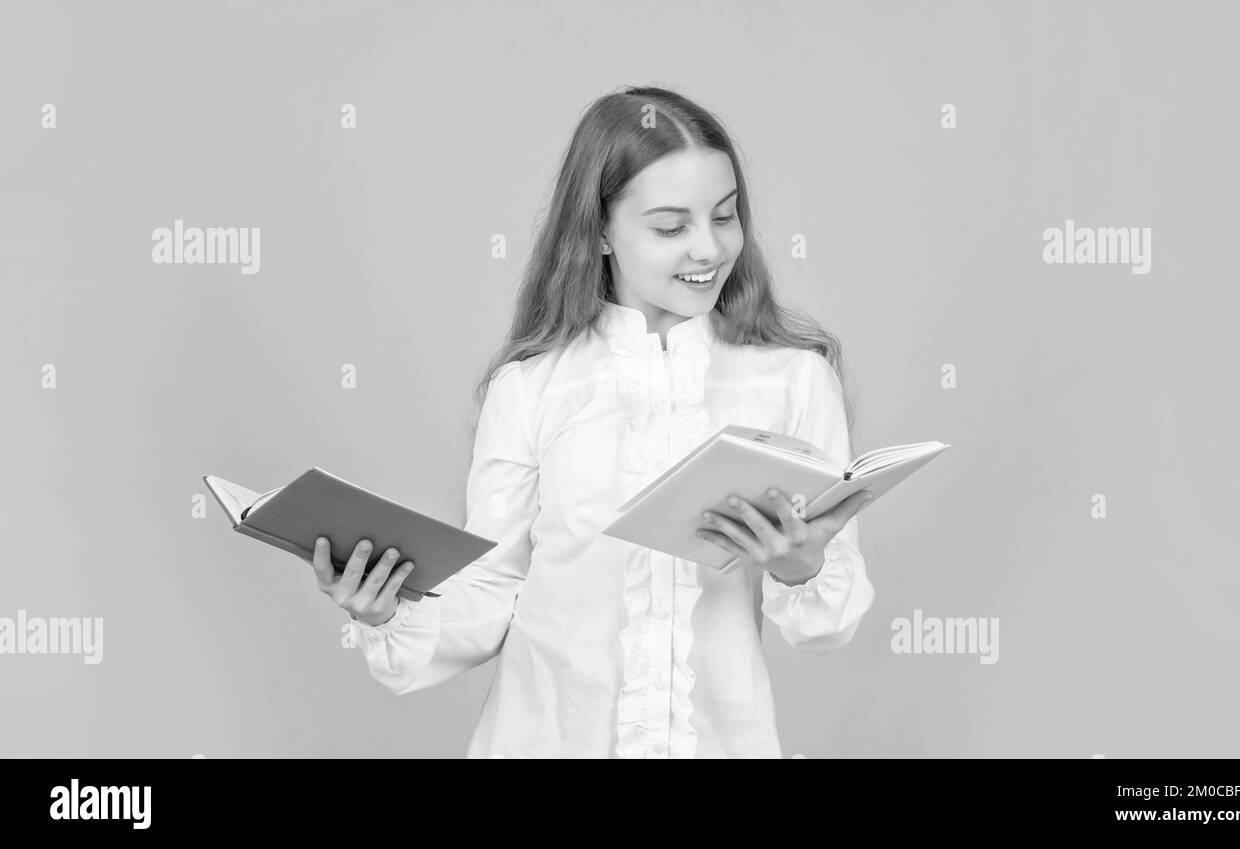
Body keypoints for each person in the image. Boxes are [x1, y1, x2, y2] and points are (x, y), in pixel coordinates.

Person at [313, 85, 877, 758]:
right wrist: (391, 610)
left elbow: (829, 622)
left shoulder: (790, 380)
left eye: (725, 217)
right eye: (671, 227)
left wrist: (800, 565)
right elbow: (493, 588)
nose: (708, 249)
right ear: (601, 230)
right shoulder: (531, 387)